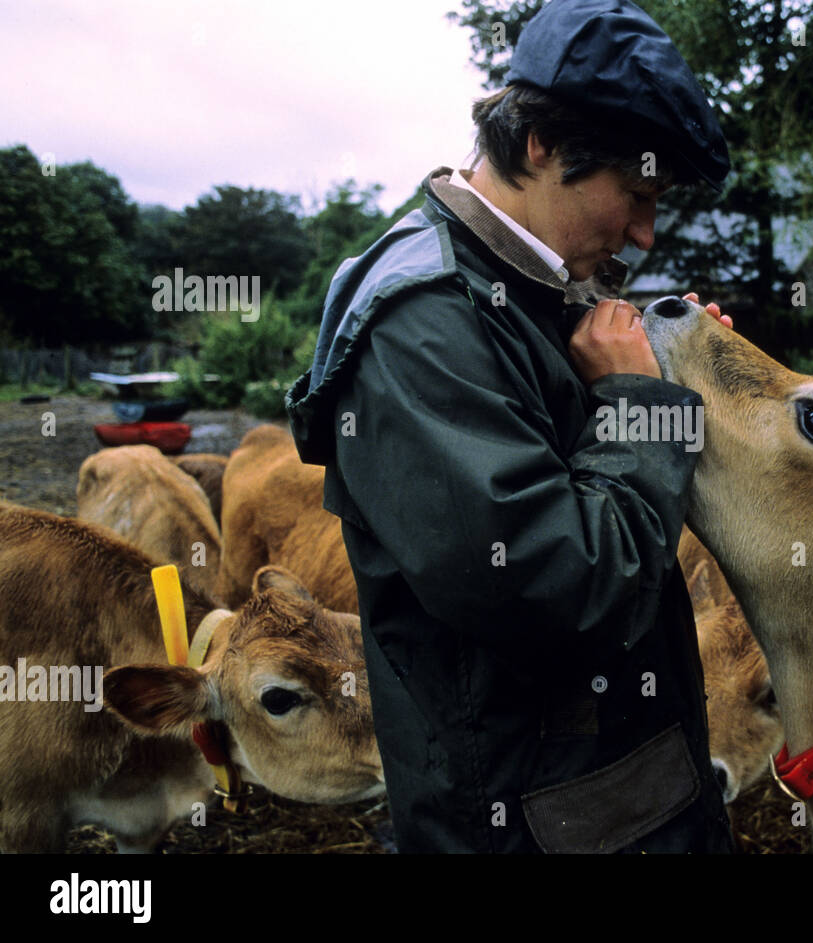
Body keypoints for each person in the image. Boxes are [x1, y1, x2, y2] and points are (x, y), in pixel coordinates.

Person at [286, 0, 735, 852]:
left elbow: (576, 444)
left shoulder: (530, 286)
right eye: (635, 196)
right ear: (541, 146)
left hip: (614, 805)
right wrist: (641, 411)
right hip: (529, 825)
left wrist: (675, 369)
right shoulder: (421, 324)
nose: (644, 234)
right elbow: (562, 584)